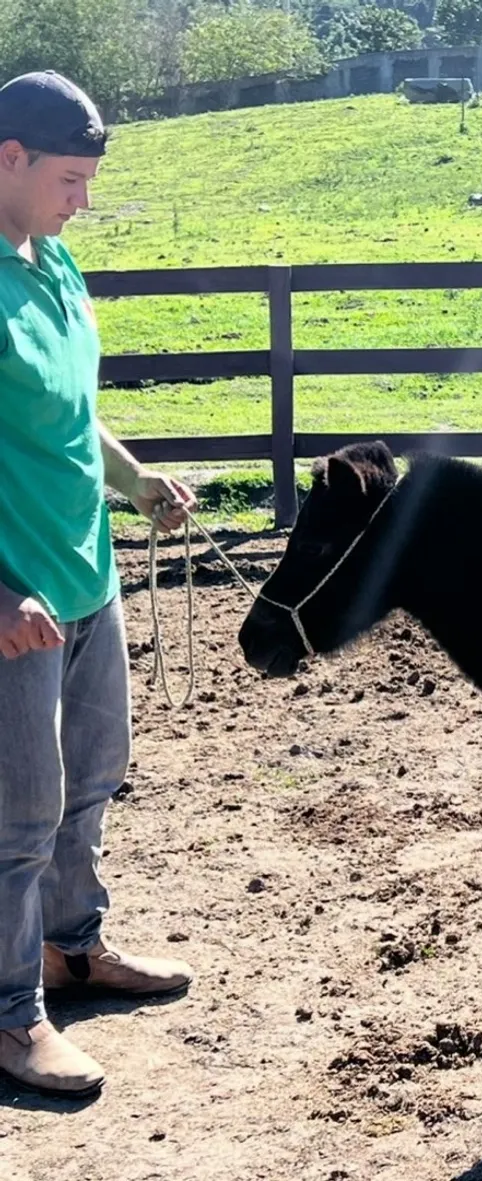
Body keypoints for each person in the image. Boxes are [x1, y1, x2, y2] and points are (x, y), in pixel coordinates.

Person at [0, 71, 197, 1098]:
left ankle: (73, 947)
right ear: (9, 159)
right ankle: (11, 1011)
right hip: (14, 600)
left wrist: (135, 481)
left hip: (85, 574)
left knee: (93, 777)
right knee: (17, 810)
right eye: (69, 180)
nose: (83, 201)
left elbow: (72, 413)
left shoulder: (56, 264)